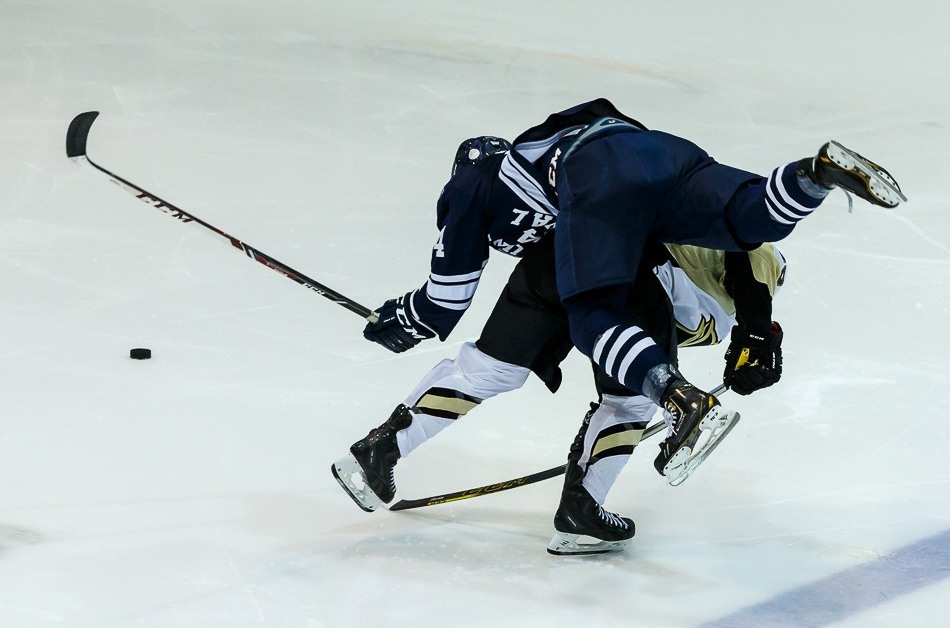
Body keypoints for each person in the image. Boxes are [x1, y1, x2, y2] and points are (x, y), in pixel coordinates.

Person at [333, 98, 904, 549]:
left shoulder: (478, 188)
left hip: (601, 207)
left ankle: (376, 453)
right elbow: (735, 242)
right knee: (741, 216)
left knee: (507, 360)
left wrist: (399, 322)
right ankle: (811, 176)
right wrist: (755, 327)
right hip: (654, 161)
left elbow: (441, 304)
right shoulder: (546, 191)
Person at [334, 234, 787, 555]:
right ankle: (581, 512)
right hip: (628, 279)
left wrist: (751, 339)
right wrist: (758, 332)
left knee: (487, 370)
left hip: (555, 256)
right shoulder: (760, 261)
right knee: (630, 399)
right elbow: (749, 257)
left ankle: (377, 453)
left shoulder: (708, 273)